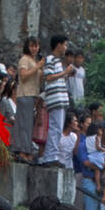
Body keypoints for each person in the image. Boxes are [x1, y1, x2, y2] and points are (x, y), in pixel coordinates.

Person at [39, 35, 73, 166]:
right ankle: (49, 157)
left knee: (58, 128)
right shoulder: (50, 59)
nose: (65, 48)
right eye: (64, 45)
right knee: (55, 128)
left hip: (61, 98)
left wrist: (65, 74)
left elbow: (56, 78)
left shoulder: (57, 61)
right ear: (58, 45)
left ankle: (53, 155)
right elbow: (48, 77)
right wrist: (65, 72)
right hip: (55, 98)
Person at [11, 37, 42, 163]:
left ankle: (27, 150)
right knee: (24, 124)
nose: (34, 48)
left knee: (28, 125)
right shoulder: (24, 59)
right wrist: (38, 67)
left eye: (36, 46)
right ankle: (22, 150)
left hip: (32, 94)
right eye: (32, 46)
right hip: (25, 94)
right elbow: (23, 76)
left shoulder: (33, 60)